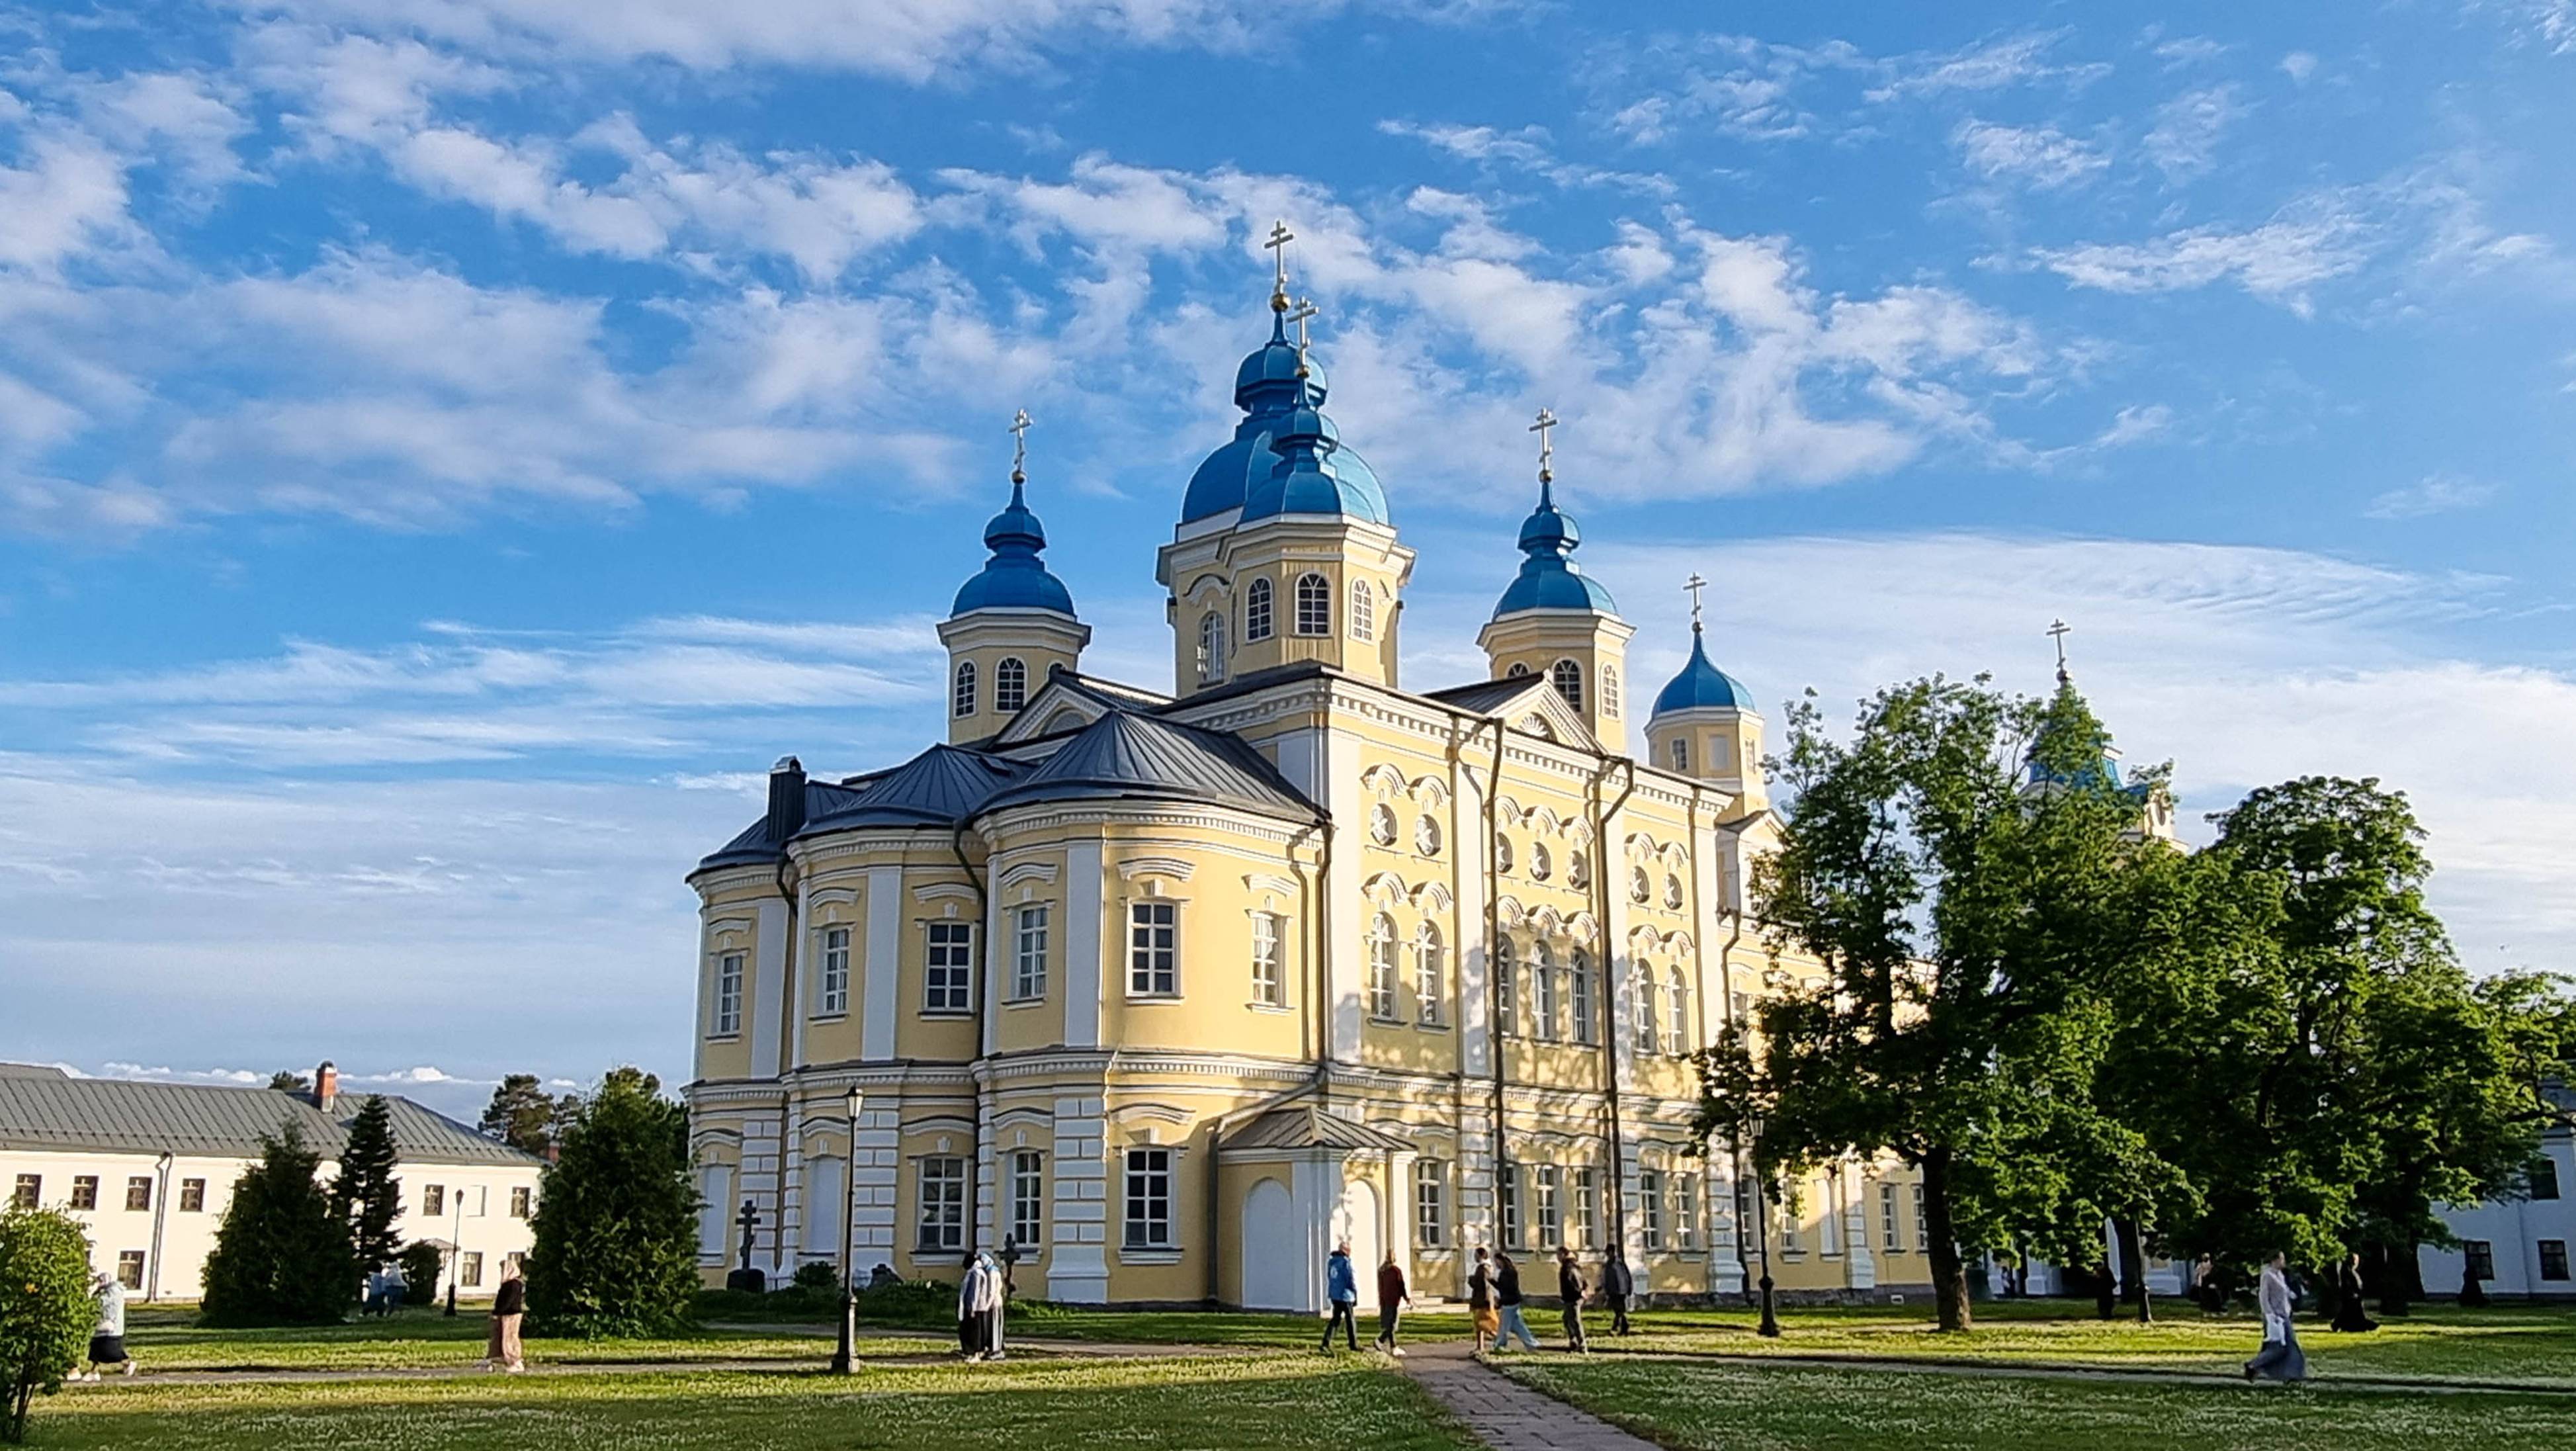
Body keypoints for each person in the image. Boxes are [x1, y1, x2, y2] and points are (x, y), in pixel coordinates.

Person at [2244, 1251, 2307, 1383]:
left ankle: (2290, 1374)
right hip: (2275, 1317)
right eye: (2281, 1259)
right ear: (2275, 1260)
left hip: (2285, 1315)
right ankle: (2253, 1365)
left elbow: (2282, 1291)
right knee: (2278, 1348)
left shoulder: (2280, 1275)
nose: (2283, 1262)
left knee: (2289, 1346)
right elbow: (2264, 1297)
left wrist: (2290, 1295)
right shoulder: (2268, 1275)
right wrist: (2270, 1315)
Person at [74, 1274, 132, 1380]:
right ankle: (94, 1371)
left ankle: (128, 1363)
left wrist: (91, 1303)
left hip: (112, 1328)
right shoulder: (105, 1291)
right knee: (96, 1348)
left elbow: (105, 1304)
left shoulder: (114, 1291)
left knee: (110, 1352)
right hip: (103, 1325)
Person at [1488, 1252, 1540, 1354]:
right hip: (1513, 1301)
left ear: (1501, 1261)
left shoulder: (1507, 1273)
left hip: (1509, 1303)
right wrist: (1492, 1281)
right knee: (1518, 1326)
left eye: (1497, 1261)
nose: (1496, 1264)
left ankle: (1499, 1345)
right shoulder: (1509, 1271)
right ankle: (1532, 1343)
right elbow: (1503, 1287)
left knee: (1503, 1326)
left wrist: (1501, 1301)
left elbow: (1507, 1289)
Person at [486, 1258, 527, 1374]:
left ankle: (515, 1361)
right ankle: (500, 1357)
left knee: (510, 1338)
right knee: (501, 1336)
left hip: (511, 1314)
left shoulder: (513, 1284)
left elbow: (507, 1301)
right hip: (506, 1314)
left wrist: (498, 1312)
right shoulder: (508, 1284)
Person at [1320, 1242, 1359, 1352]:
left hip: (1335, 1295)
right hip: (1346, 1295)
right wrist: (1354, 1292)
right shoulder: (1345, 1262)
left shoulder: (1332, 1262)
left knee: (1336, 1319)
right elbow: (1350, 1278)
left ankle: (1326, 1342)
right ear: (1346, 1251)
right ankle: (1353, 1344)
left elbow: (1330, 1276)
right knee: (1350, 1320)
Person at [1372, 1253, 1411, 1356]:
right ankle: (1381, 1340)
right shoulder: (1396, 1271)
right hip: (1393, 1301)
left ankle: (1393, 1346)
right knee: (1392, 1325)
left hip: (1384, 1300)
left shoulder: (1382, 1271)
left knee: (1389, 1324)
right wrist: (1407, 1298)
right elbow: (1401, 1286)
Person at [2332, 1253, 2378, 1333]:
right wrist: (2352, 1294)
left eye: (2356, 1260)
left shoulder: (2352, 1271)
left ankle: (2340, 1325)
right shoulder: (2346, 1271)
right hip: (2351, 1296)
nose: (2355, 1262)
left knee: (2347, 1312)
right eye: (2354, 1260)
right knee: (2349, 1312)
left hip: (2354, 1296)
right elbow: (2346, 1284)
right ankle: (2340, 1325)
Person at [957, 1253, 990, 1359]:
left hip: (974, 1307)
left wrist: (972, 1307)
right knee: (971, 1330)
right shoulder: (974, 1272)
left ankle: (973, 1352)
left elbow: (975, 1291)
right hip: (974, 1306)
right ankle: (970, 1351)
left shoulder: (976, 1273)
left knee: (973, 1331)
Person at [1556, 1247, 1589, 1352]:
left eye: (1559, 1254)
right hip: (1573, 1297)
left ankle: (1582, 1345)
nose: (1557, 1257)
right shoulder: (1574, 1266)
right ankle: (1574, 1342)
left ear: (1564, 1255)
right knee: (1567, 1319)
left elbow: (1570, 1284)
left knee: (1575, 1321)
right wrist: (1584, 1290)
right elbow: (1583, 1280)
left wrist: (1580, 1292)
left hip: (1573, 1298)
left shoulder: (1567, 1268)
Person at [1467, 1247, 1500, 1352]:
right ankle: (1480, 1346)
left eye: (1476, 1255)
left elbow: (1484, 1285)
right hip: (1482, 1299)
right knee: (1479, 1324)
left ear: (1481, 1256)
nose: (1475, 1257)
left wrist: (1471, 1280)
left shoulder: (1484, 1268)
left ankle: (1498, 1339)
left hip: (1483, 1300)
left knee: (1483, 1323)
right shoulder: (1483, 1267)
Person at [1602, 1250, 1635, 1336]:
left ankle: (1616, 1327)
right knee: (1619, 1311)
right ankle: (1624, 1328)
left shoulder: (1615, 1264)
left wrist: (1630, 1288)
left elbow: (1627, 1276)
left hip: (1618, 1291)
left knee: (1619, 1310)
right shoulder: (1617, 1264)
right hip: (1618, 1290)